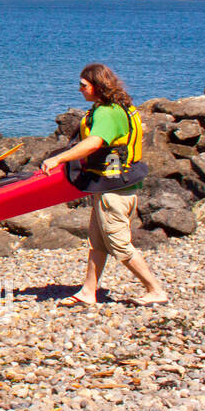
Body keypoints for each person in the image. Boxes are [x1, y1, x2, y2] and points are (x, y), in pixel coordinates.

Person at [42, 63, 170, 307]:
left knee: (119, 244)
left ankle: (155, 290)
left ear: (97, 86)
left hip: (115, 191)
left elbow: (93, 143)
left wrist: (58, 158)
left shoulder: (107, 113)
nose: (79, 90)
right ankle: (88, 292)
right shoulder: (118, 107)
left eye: (83, 85)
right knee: (97, 242)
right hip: (110, 185)